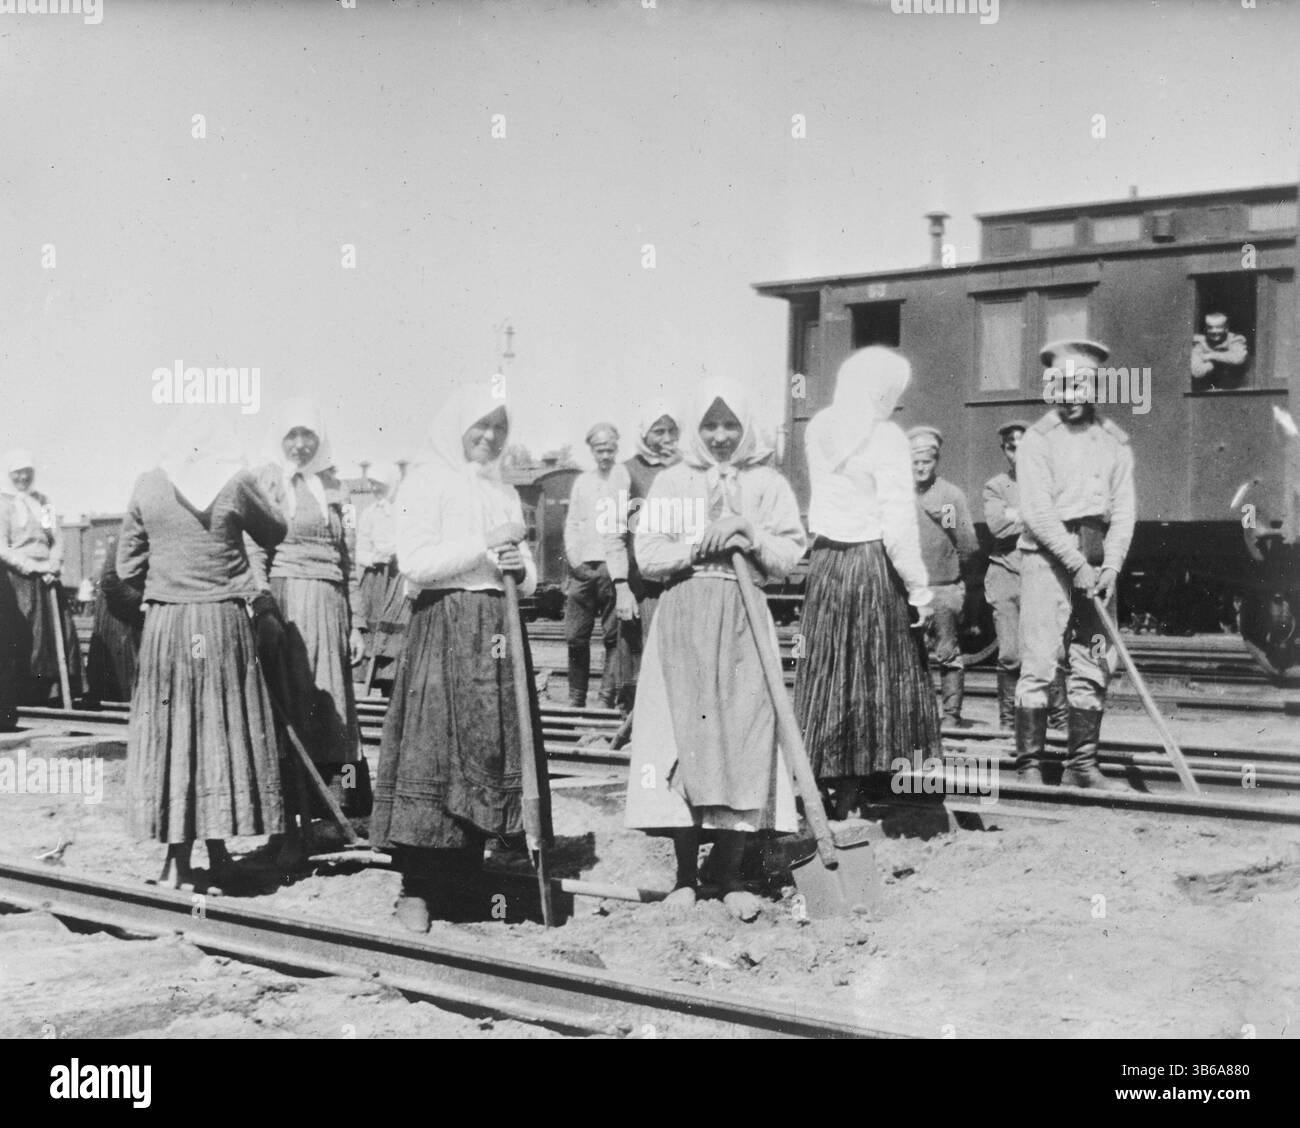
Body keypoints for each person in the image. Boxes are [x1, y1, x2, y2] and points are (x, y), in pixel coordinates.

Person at [625, 378, 807, 922]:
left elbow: (789, 555)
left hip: (744, 618)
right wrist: (700, 543)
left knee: (742, 737)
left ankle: (727, 873)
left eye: (730, 424)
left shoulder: (769, 483)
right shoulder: (673, 482)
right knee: (683, 738)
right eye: (710, 425)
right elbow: (649, 556)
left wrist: (747, 531)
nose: (722, 435)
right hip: (684, 614)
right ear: (696, 430)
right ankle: (685, 874)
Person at [370, 385, 541, 933]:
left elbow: (531, 579)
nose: (489, 438)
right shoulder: (426, 481)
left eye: (499, 428)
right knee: (434, 752)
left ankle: (466, 878)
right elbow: (415, 564)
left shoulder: (504, 493)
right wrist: (486, 550)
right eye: (479, 426)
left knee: (486, 750)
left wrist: (516, 564)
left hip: (496, 627)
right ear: (456, 426)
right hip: (444, 625)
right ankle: (416, 888)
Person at [119, 412, 288, 889]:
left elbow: (126, 567)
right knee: (218, 733)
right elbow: (275, 530)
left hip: (168, 625)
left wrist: (169, 583)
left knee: (175, 736)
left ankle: (176, 863)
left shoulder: (150, 484)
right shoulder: (235, 482)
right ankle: (216, 855)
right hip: (220, 623)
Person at [794, 348, 941, 817]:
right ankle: (862, 785)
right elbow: (897, 523)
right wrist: (920, 590)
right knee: (876, 674)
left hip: (826, 564)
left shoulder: (820, 428)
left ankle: (818, 780)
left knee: (826, 672)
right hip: (871, 564)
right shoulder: (887, 437)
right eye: (891, 393)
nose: (894, 403)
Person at [1017, 339, 1137, 790]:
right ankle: (1029, 766)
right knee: (1041, 659)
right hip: (1047, 554)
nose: (1069, 396)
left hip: (1097, 551)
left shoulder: (1114, 442)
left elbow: (1124, 510)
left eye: (1078, 386)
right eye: (1061, 386)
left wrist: (1111, 566)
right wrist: (1075, 562)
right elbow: (1036, 511)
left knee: (1093, 660)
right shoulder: (1037, 440)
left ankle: (1082, 766)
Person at [249, 399, 366, 821]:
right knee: (296, 703)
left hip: (331, 606)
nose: (300, 445)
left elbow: (350, 557)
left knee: (337, 708)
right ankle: (294, 807)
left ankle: (345, 804)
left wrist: (358, 624)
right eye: (292, 436)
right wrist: (263, 602)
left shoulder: (340, 489)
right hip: (288, 605)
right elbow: (254, 548)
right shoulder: (267, 482)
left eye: (308, 436)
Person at [982, 421, 1069, 732]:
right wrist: (1036, 515)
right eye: (1009, 447)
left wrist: (1016, 514)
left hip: (1042, 572)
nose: (1015, 453)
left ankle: (1059, 724)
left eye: (1022, 446)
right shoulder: (996, 486)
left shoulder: (1053, 483)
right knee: (1009, 654)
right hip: (1006, 573)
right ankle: (1009, 725)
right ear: (1004, 450)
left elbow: (1059, 523)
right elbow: (996, 525)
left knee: (1052, 651)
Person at [604, 404, 681, 714]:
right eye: (658, 431)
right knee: (642, 662)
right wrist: (621, 586)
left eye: (671, 431)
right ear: (644, 434)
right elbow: (613, 534)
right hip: (643, 586)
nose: (666, 438)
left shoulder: (687, 469)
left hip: (681, 579)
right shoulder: (626, 472)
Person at [908, 426, 979, 726]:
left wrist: (953, 581)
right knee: (911, 658)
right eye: (916, 461)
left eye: (927, 461)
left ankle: (950, 716)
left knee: (948, 653)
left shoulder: (949, 497)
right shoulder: (898, 495)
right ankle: (918, 717)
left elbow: (967, 544)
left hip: (942, 589)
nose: (921, 467)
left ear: (936, 461)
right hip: (909, 592)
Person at [0, 449, 83, 705]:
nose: (22, 477)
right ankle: (25, 693)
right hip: (20, 579)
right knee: (27, 636)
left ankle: (55, 693)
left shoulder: (43, 502)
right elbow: (3, 547)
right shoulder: (4, 504)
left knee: (61, 635)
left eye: (27, 472)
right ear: (10, 475)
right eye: (17, 473)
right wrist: (33, 568)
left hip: (47, 577)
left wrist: (52, 566)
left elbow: (57, 538)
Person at [563, 424, 630, 708]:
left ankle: (605, 698)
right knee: (575, 637)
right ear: (591, 450)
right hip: (584, 570)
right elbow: (573, 522)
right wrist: (575, 561)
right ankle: (576, 698)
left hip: (612, 570)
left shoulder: (625, 477)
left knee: (613, 639)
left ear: (617, 447)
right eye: (600, 449)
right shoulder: (583, 482)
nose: (605, 454)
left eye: (610, 449)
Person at [354, 461, 411, 691]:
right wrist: (375, 558)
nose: (374, 489)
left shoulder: (406, 509)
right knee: (373, 628)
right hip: (377, 580)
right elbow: (361, 549)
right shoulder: (370, 513)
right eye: (371, 484)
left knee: (398, 627)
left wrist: (396, 551)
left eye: (378, 484)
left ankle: (392, 684)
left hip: (400, 578)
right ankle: (372, 680)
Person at [85, 534, 145, 705]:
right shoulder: (129, 538)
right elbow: (110, 581)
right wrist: (146, 596)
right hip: (118, 615)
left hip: (136, 612)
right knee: (121, 684)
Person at [1190, 312, 1249, 391]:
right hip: (1208, 390)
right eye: (1210, 327)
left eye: (1218, 327)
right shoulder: (1200, 343)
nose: (1214, 331)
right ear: (1206, 329)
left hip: (1235, 389)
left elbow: (1238, 358)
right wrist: (1214, 363)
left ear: (1226, 328)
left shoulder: (1235, 340)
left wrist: (1211, 356)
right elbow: (1196, 371)